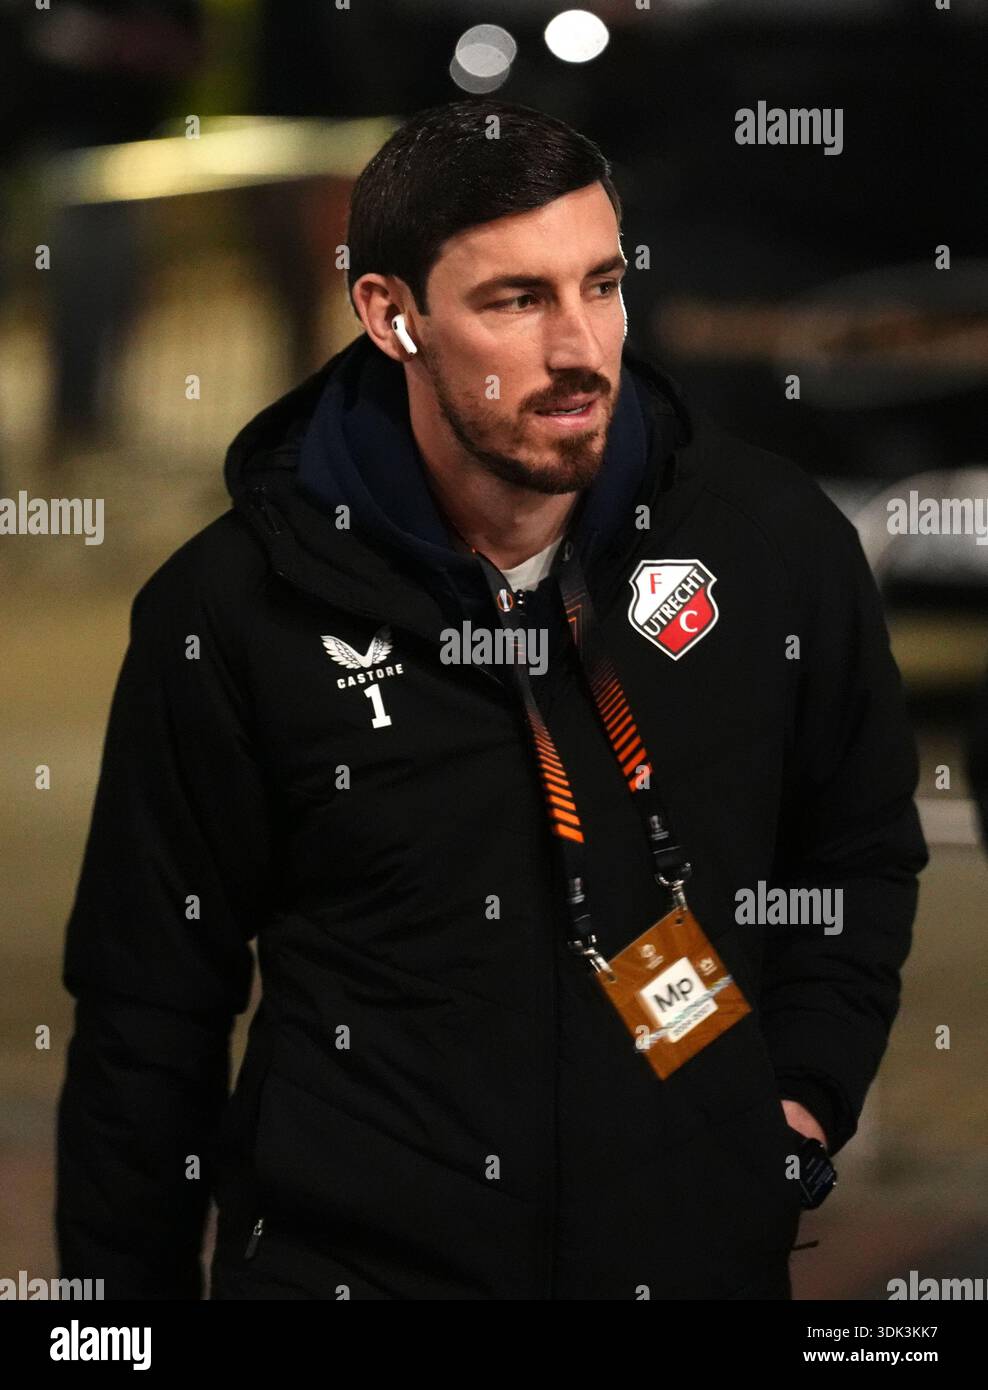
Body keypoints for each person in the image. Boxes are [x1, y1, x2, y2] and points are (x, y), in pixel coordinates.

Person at [55, 98, 929, 1301]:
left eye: (602, 284)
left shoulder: (770, 545)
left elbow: (860, 847)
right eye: (515, 300)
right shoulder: (232, 608)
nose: (581, 348)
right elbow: (147, 1009)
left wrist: (794, 1105)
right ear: (390, 314)